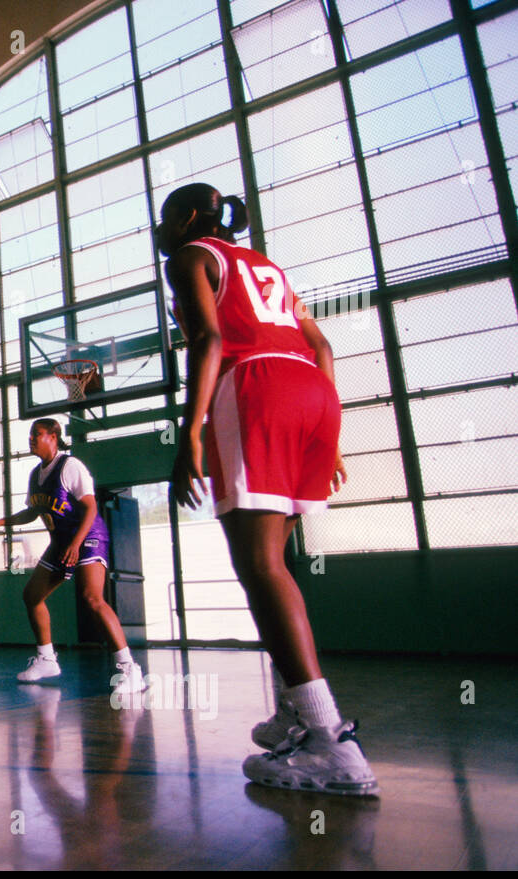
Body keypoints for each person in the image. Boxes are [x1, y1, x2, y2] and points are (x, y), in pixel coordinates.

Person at [157, 181, 377, 796]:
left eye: (167, 215)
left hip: (255, 389)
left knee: (257, 564)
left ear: (191, 217)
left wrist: (191, 432)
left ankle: (329, 741)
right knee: (274, 562)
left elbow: (211, 341)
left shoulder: (192, 257)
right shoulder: (267, 267)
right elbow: (323, 346)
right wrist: (329, 437)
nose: (162, 226)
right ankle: (295, 708)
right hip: (312, 392)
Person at [0, 419, 146, 691]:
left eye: (37, 434)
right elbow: (33, 511)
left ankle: (130, 669)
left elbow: (91, 507)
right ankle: (46, 659)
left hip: (88, 535)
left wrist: (77, 544)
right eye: (31, 435)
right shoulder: (36, 474)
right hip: (62, 541)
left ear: (54, 437)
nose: (31, 439)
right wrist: (0, 521)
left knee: (91, 597)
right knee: (32, 595)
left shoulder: (70, 466)